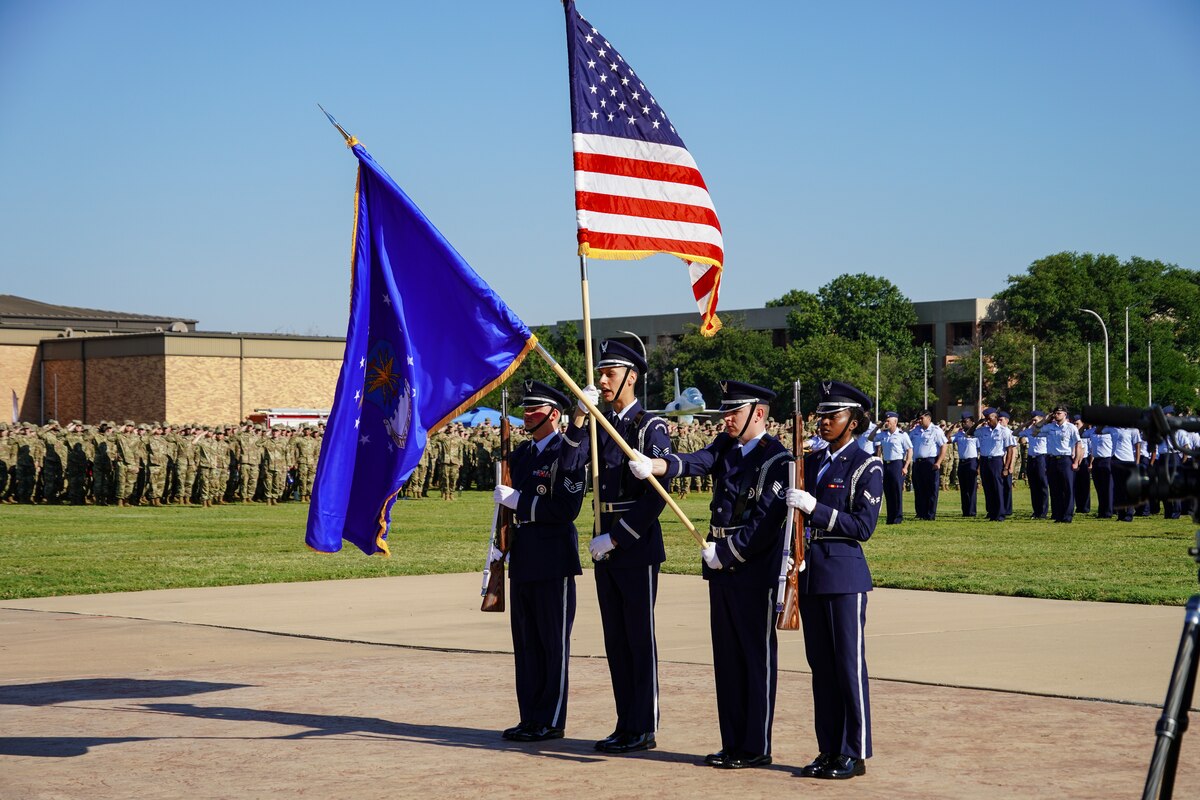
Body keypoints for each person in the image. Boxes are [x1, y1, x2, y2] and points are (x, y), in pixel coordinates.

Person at [629, 381, 791, 770]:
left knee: (754, 658)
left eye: (735, 412)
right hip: (719, 564)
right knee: (727, 659)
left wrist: (728, 554)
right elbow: (695, 462)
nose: (727, 418)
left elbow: (766, 521)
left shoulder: (777, 458)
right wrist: (657, 465)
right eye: (726, 411)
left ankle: (755, 745)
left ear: (760, 413)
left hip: (751, 568)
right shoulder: (726, 446)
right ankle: (732, 741)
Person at [562, 339, 669, 754]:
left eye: (610, 373)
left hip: (635, 545)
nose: (602, 380)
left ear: (632, 376)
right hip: (603, 542)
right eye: (600, 373)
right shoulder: (598, 424)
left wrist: (618, 536)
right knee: (616, 639)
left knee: (639, 637)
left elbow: (657, 495)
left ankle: (644, 724)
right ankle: (625, 722)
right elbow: (569, 469)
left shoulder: (648, 426)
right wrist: (577, 420)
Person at [785, 380, 883, 781]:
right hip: (811, 574)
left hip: (844, 575)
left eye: (832, 415)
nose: (823, 421)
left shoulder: (866, 464)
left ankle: (854, 752)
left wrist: (815, 508)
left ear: (853, 421)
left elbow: (863, 525)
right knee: (821, 667)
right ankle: (829, 748)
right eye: (821, 415)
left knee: (847, 665)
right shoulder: (813, 460)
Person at [493, 381, 586, 743]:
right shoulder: (521, 454)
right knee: (527, 643)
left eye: (535, 409)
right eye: (526, 408)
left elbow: (567, 509)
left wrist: (520, 503)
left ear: (554, 415)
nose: (527, 414)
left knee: (552, 642)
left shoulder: (567, 453)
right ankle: (529, 716)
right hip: (525, 554)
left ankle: (551, 719)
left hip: (554, 555)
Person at [1034, 405, 1082, 522]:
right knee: (1055, 488)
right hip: (1052, 459)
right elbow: (1035, 431)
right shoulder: (1050, 427)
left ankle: (1067, 515)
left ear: (1065, 414)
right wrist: (1046, 419)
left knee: (1068, 488)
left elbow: (1078, 445)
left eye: (1059, 413)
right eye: (1055, 413)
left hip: (1065, 459)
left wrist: (1076, 462)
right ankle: (1058, 514)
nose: (1056, 415)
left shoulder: (1071, 428)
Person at [969, 408, 1018, 522]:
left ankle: (1000, 514)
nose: (987, 421)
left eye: (989, 418)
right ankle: (991, 513)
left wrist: (1006, 467)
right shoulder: (983, 430)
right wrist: (977, 423)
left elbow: (1010, 449)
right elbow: (969, 433)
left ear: (996, 417)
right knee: (988, 488)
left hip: (997, 461)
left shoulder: (1004, 431)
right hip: (985, 460)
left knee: (998, 488)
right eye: (985, 418)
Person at [908, 409, 947, 520]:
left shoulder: (936, 430)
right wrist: (910, 427)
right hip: (918, 462)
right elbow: (906, 441)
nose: (919, 420)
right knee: (919, 489)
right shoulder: (915, 430)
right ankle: (920, 513)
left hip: (930, 462)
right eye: (918, 418)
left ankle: (930, 514)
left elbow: (943, 446)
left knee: (931, 490)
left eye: (922, 418)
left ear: (928, 418)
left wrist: (938, 462)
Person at [873, 412, 911, 525]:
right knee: (888, 491)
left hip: (897, 464)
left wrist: (906, 466)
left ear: (895, 422)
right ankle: (890, 517)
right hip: (886, 464)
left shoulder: (902, 435)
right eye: (886, 420)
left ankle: (898, 517)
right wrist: (877, 428)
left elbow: (909, 450)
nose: (886, 422)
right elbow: (871, 438)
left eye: (889, 421)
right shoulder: (884, 434)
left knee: (897, 491)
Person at [1019, 411, 1049, 519]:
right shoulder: (1029, 430)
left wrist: (1043, 422)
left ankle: (1043, 512)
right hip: (1031, 459)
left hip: (1042, 458)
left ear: (1041, 420)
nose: (1033, 421)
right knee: (1033, 486)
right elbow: (1015, 433)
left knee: (1042, 485)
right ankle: (1036, 511)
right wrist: (1026, 423)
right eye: (1032, 419)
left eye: (1035, 419)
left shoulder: (1046, 430)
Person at [952, 413, 979, 516]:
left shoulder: (976, 435)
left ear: (972, 422)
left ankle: (972, 511)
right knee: (963, 488)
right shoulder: (959, 434)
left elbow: (980, 451)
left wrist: (978, 466)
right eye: (962, 422)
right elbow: (947, 440)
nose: (963, 424)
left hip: (972, 461)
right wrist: (952, 429)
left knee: (972, 488)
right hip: (962, 462)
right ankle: (965, 511)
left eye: (966, 421)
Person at [1087, 423, 1114, 518]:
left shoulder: (1110, 430)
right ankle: (1101, 511)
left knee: (1108, 488)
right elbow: (1080, 434)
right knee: (1099, 488)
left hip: (1107, 460)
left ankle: (1109, 511)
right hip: (1096, 460)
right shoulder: (1092, 431)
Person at [1073, 417, 1092, 515]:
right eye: (1074, 424)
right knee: (1076, 485)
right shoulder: (1073, 433)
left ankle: (1085, 507)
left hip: (1084, 460)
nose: (1076, 426)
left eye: (1077, 424)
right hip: (1074, 460)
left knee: (1084, 485)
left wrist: (1091, 463)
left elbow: (1091, 449)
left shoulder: (1086, 434)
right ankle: (1079, 506)